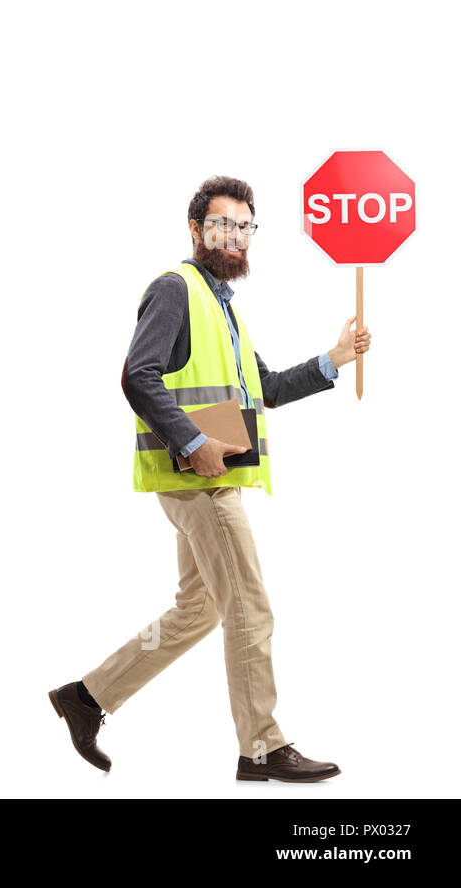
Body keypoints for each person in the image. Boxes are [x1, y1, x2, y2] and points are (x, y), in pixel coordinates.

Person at [50, 176, 371, 782]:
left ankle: (86, 696)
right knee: (249, 607)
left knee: (198, 610)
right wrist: (193, 442)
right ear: (196, 230)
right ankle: (262, 747)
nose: (235, 236)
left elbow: (268, 388)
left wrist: (336, 358)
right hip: (200, 482)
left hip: (205, 478)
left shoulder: (224, 308)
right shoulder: (176, 291)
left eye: (245, 226)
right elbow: (137, 377)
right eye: (223, 224)